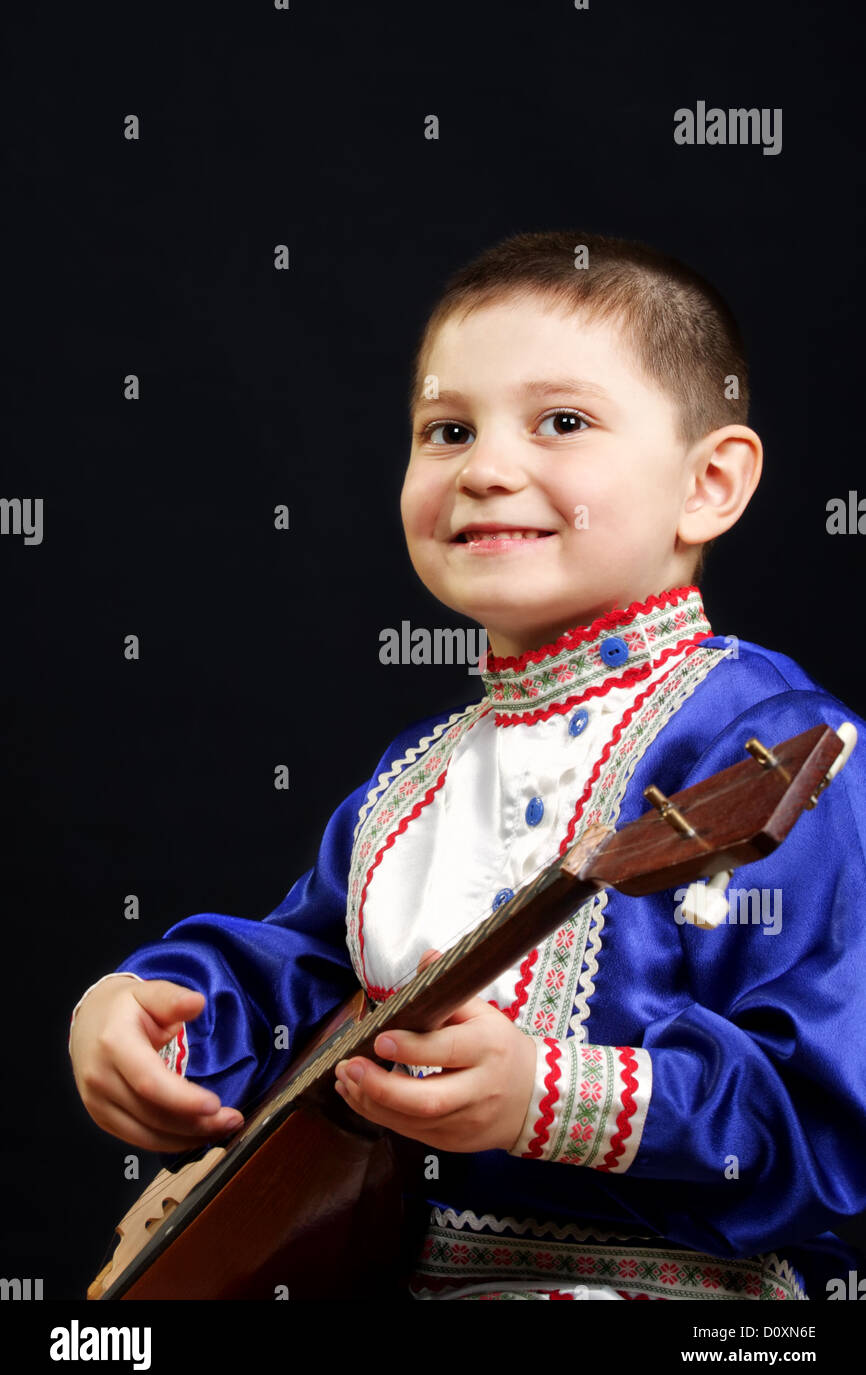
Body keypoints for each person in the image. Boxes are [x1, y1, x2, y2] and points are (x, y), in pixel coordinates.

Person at [69, 229, 866, 1301]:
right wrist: (151, 1009)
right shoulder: (414, 777)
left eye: (563, 422)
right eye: (445, 430)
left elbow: (830, 1113)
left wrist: (555, 1094)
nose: (485, 468)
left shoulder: (770, 747)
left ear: (708, 484)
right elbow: (301, 974)